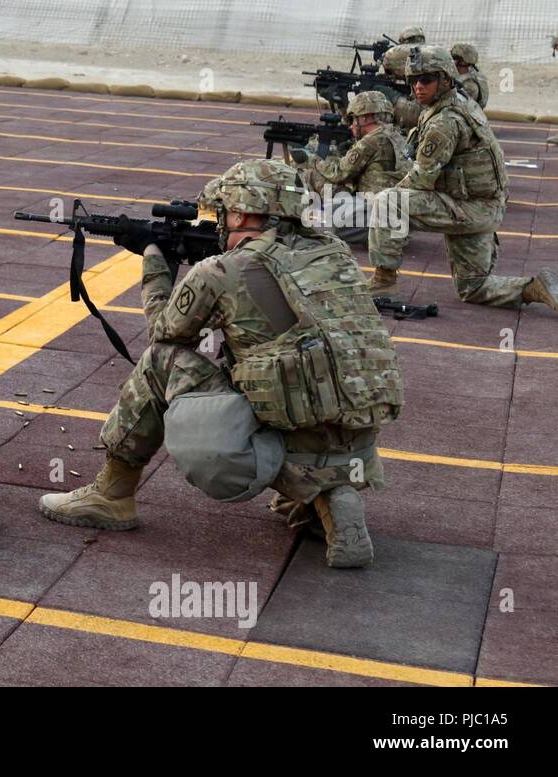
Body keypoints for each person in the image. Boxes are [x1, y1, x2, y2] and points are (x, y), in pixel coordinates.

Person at [38, 159, 403, 569]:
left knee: (161, 360)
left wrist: (154, 256)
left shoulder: (219, 269)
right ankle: (327, 500)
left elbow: (165, 331)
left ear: (241, 213)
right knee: (275, 370)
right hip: (352, 451)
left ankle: (112, 495)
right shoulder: (333, 252)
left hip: (274, 448)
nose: (219, 223)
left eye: (223, 212)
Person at [367, 46, 558, 308]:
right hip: (479, 205)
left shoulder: (444, 121)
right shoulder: (457, 102)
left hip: (469, 207)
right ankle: (535, 287)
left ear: (445, 79)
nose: (418, 87)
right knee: (474, 288)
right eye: (413, 81)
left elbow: (421, 179)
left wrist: (379, 206)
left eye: (426, 80)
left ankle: (383, 281)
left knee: (388, 202)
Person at [289, 91, 410, 242]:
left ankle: (379, 231)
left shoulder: (370, 141)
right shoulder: (396, 135)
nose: (351, 125)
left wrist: (311, 158)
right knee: (321, 179)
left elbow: (339, 172)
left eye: (354, 119)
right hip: (395, 207)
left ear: (365, 118)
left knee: (333, 221)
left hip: (378, 208)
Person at [451, 43, 489, 108]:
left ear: (464, 62)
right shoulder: (469, 73)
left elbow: (457, 107)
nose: (454, 62)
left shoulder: (470, 86)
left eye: (456, 59)